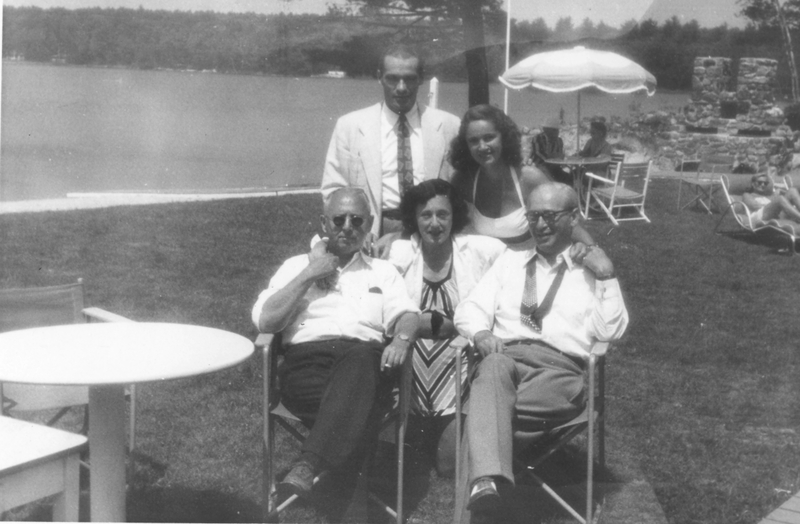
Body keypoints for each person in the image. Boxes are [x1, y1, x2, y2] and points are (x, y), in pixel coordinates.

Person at [452, 183, 629, 523]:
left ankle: (483, 481)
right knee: (492, 368)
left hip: (559, 373)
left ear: (573, 218)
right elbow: (470, 307)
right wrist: (482, 332)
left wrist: (607, 274)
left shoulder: (589, 269)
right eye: (533, 216)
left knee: (480, 418)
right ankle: (487, 480)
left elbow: (610, 331)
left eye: (549, 216)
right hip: (505, 361)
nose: (540, 225)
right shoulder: (510, 262)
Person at [251, 187, 420, 520]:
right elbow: (266, 320)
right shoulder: (296, 266)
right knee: (360, 407)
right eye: (339, 220)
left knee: (360, 360)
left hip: (365, 364)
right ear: (323, 223)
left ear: (369, 223)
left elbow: (408, 314)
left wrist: (401, 340)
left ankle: (309, 463)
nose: (347, 227)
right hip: (308, 369)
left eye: (357, 220)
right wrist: (310, 274)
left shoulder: (382, 271)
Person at [386, 179, 506, 476]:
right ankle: (414, 421)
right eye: (426, 215)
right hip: (410, 367)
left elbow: (519, 261)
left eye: (443, 214)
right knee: (405, 463)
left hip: (458, 366)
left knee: (448, 467)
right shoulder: (399, 252)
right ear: (414, 218)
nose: (435, 223)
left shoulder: (480, 250)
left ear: (455, 216)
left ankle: (449, 422)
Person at [321, 44, 461, 243]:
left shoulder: (449, 125)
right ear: (380, 77)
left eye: (409, 79)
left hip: (432, 233)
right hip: (371, 233)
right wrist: (356, 231)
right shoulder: (350, 126)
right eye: (393, 78)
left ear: (421, 78)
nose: (401, 88)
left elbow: (460, 190)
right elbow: (333, 191)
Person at [449, 104, 595, 247]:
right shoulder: (464, 181)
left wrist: (592, 248)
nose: (482, 146)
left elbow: (567, 220)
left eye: (489, 138)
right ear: (465, 145)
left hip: (527, 261)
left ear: (504, 137)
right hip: (485, 263)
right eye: (473, 141)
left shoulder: (528, 178)